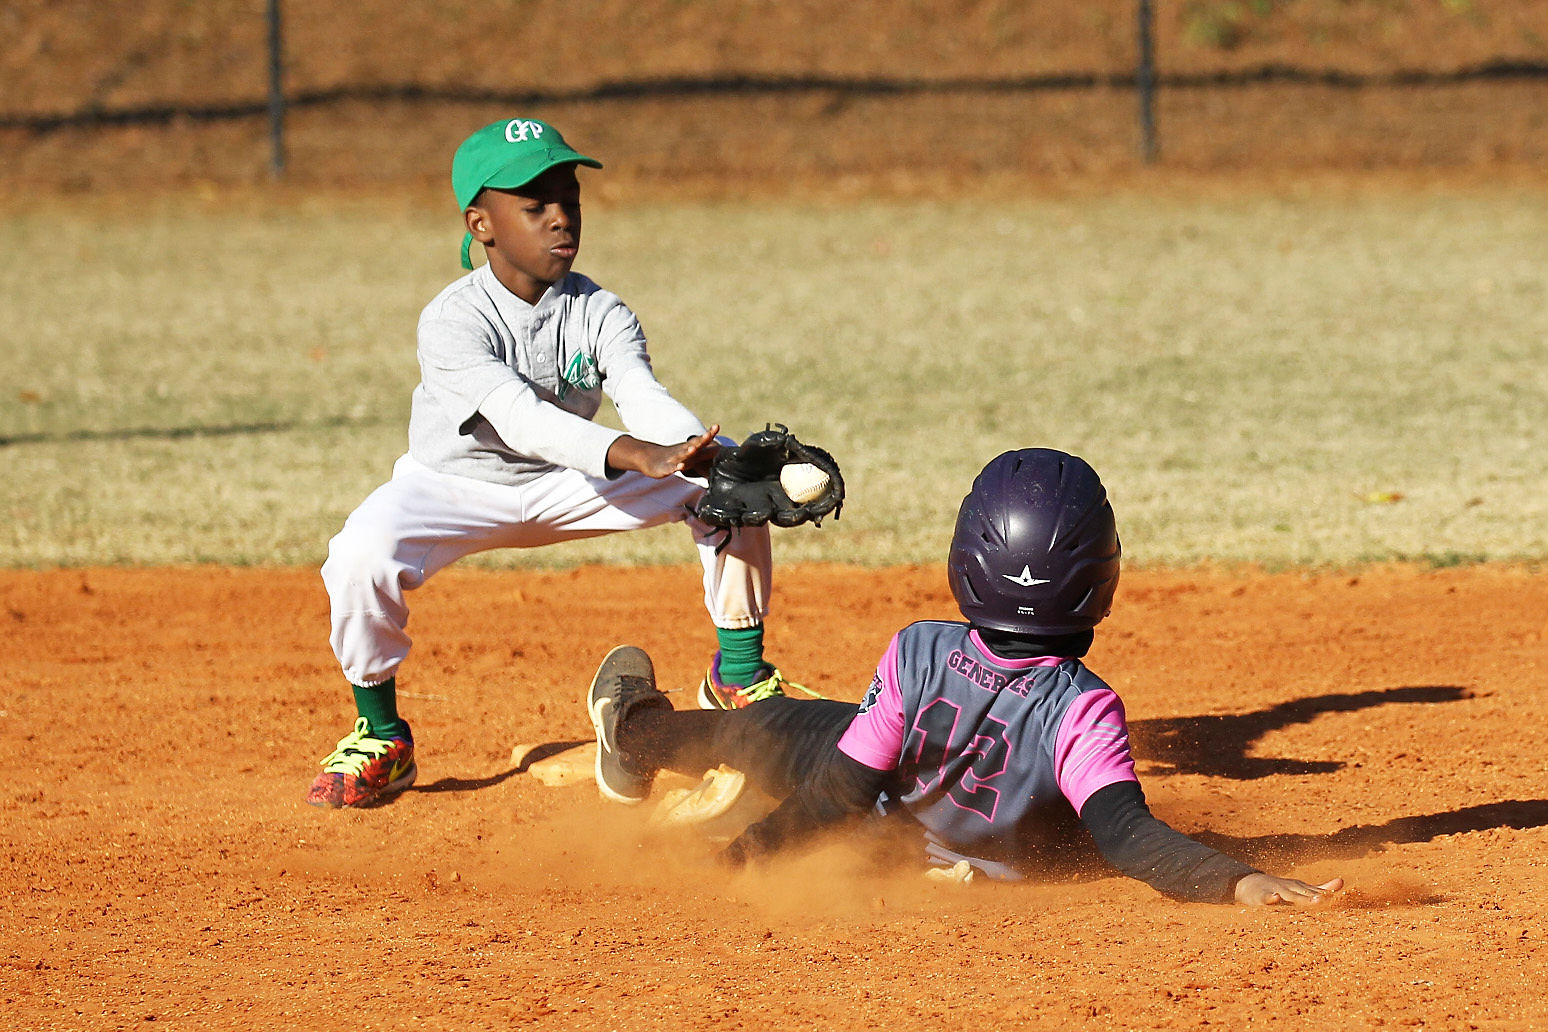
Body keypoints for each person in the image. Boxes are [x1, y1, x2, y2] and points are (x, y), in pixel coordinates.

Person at [306, 116, 808, 809]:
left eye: (568, 200)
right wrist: (642, 454)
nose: (559, 219)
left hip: (573, 483)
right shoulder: (453, 320)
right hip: (455, 484)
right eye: (533, 205)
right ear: (481, 224)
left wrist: (697, 451)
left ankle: (737, 673)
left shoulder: (599, 310)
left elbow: (643, 396)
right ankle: (382, 735)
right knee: (357, 554)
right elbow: (521, 420)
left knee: (728, 491)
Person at [586, 448, 1344, 905]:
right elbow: (1128, 837)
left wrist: (744, 858)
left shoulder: (918, 650)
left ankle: (634, 730)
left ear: (968, 557)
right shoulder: (1086, 708)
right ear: (1099, 576)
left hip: (870, 815)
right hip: (971, 858)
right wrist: (1238, 880)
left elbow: (839, 795)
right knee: (1066, 828)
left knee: (752, 727)